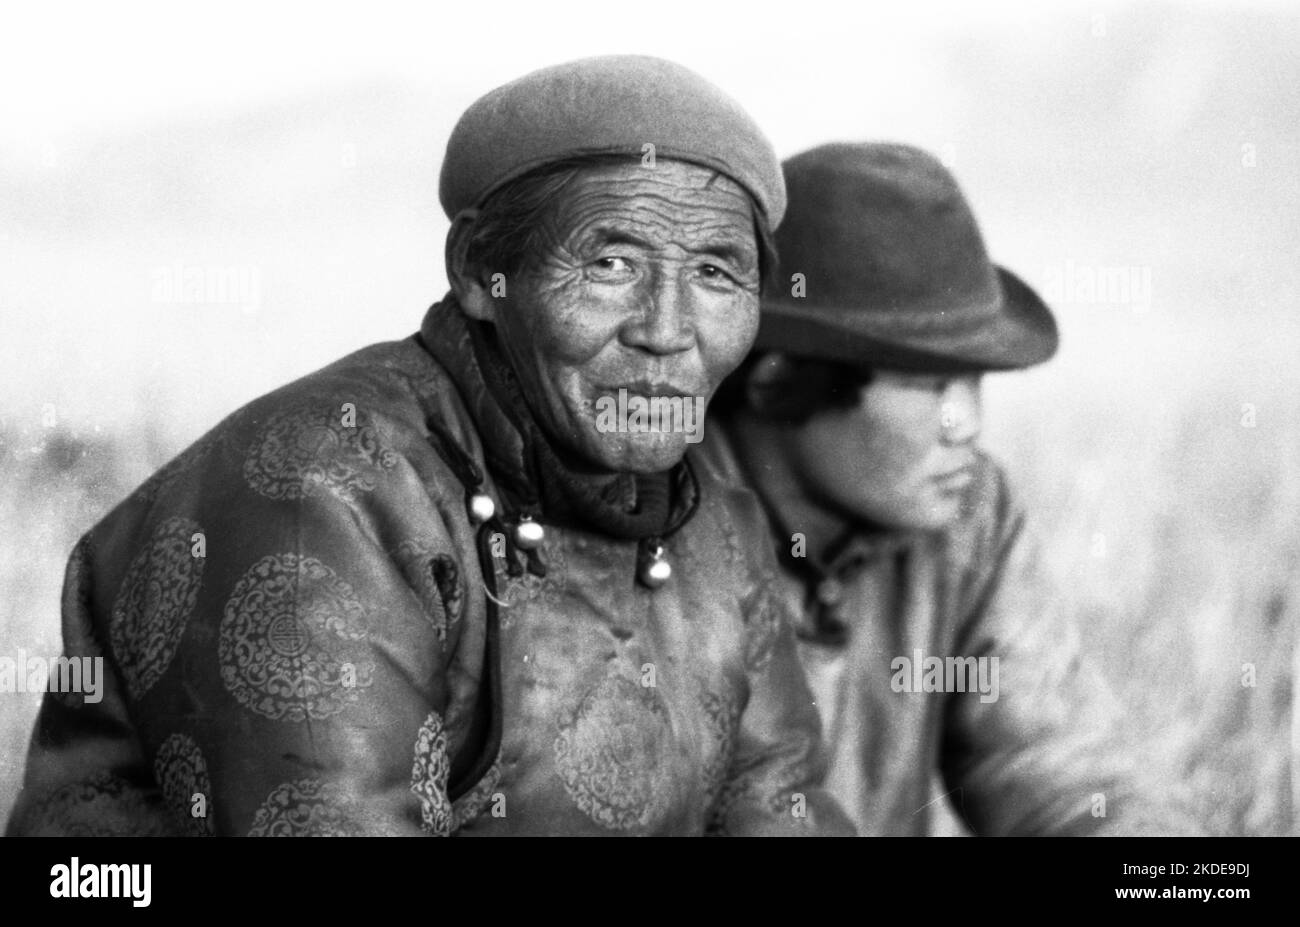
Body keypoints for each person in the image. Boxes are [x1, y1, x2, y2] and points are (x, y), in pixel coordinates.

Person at [7, 58, 854, 837]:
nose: (668, 331)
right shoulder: (322, 494)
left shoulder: (714, 530)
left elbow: (782, 812)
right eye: (611, 264)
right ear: (480, 275)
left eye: (715, 272)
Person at [705, 142, 1202, 835]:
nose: (966, 422)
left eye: (975, 379)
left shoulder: (968, 518)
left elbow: (1068, 771)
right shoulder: (648, 531)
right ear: (777, 378)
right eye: (928, 381)